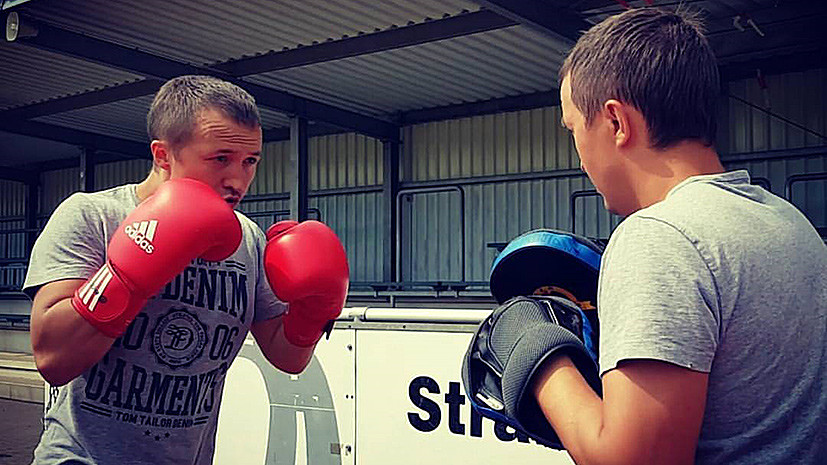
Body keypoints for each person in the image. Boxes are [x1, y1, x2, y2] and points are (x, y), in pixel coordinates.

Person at [525, 7, 826, 465]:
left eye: (574, 129)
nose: (580, 158)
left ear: (616, 123)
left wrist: (539, 355)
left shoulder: (659, 238)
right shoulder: (790, 222)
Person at [23, 75, 349, 464]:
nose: (238, 179)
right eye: (220, 159)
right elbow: (53, 360)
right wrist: (129, 273)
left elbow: (288, 357)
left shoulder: (248, 239)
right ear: (163, 155)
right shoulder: (93, 216)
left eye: (250, 162)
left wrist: (313, 312)